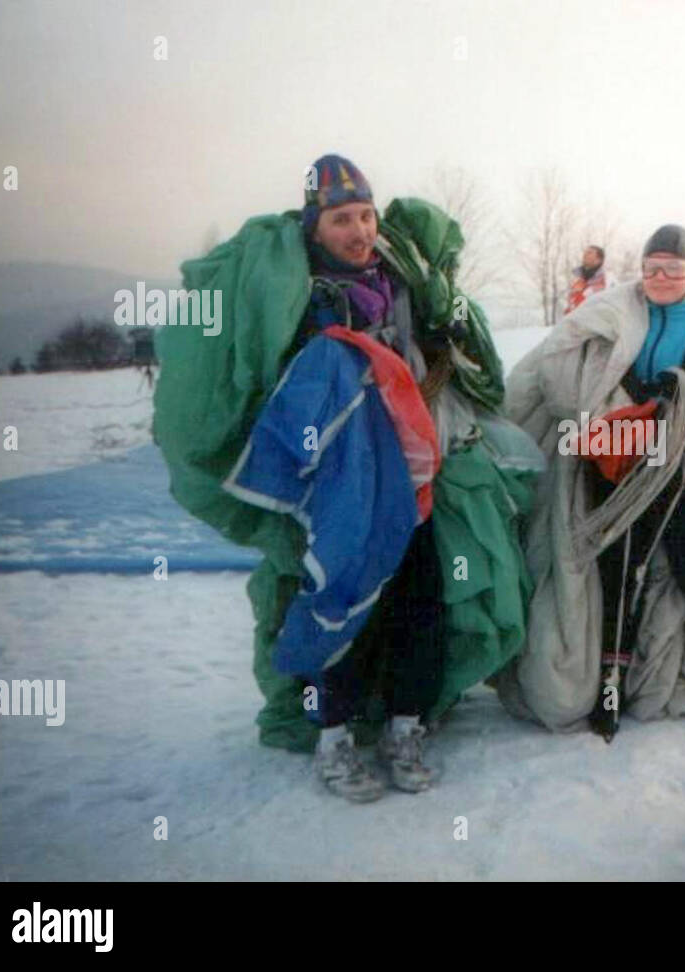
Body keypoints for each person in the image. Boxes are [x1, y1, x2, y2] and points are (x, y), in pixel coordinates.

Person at [498, 225, 685, 740]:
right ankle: (610, 688)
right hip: (620, 467)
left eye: (673, 269)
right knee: (617, 571)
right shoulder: (621, 321)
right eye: (651, 268)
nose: (661, 278)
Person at [237, 155, 446, 802]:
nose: (357, 230)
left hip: (407, 469)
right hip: (342, 476)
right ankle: (332, 737)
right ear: (315, 226)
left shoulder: (397, 283)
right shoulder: (301, 297)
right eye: (340, 219)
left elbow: (422, 355)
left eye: (364, 215)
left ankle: (404, 728)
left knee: (421, 597)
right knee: (343, 592)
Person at [564, 244, 613, 314]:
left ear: (599, 260)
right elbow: (569, 305)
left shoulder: (607, 281)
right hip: (574, 322)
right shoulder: (577, 281)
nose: (584, 255)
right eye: (585, 252)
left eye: (589, 253)